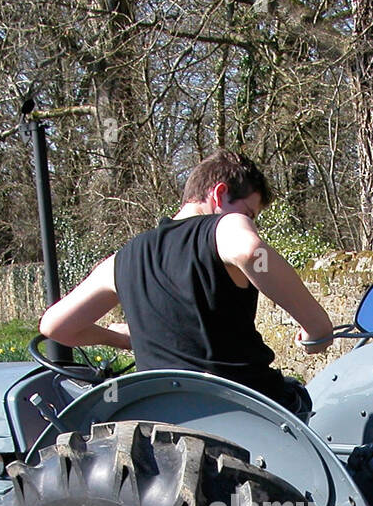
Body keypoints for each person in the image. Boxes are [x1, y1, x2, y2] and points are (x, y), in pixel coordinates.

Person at [38, 150, 332, 414]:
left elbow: (55, 326)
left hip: (161, 418)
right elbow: (251, 252)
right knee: (300, 398)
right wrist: (316, 326)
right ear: (219, 194)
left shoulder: (121, 259)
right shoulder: (225, 226)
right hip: (246, 411)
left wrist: (121, 338)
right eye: (249, 213)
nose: (250, 222)